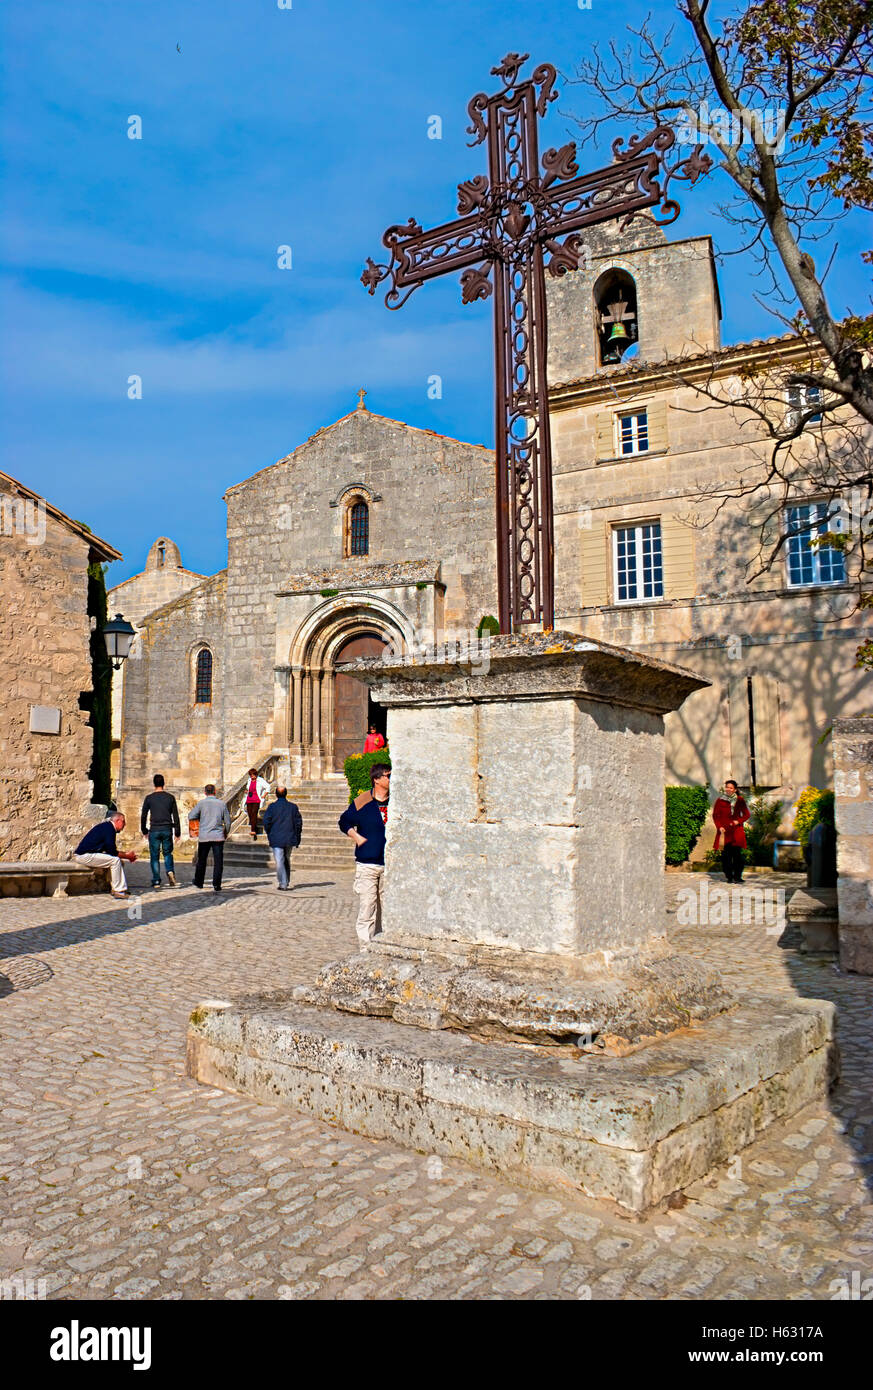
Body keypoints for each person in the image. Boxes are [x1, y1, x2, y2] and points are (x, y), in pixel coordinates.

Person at [338, 762, 390, 946]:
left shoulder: (397, 801)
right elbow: (344, 821)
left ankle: (382, 945)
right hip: (367, 864)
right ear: (377, 779)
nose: (391, 779)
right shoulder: (363, 801)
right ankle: (365, 949)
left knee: (388, 910)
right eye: (388, 776)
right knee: (368, 907)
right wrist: (356, 837)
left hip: (390, 865)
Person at [74, 812, 137, 898]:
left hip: (86, 855)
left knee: (116, 861)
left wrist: (126, 854)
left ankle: (115, 888)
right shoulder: (109, 829)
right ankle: (118, 891)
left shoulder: (107, 827)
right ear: (118, 820)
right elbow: (112, 851)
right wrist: (128, 856)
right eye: (123, 822)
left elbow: (110, 850)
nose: (124, 825)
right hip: (84, 856)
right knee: (115, 860)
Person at [140, 773, 181, 888]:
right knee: (167, 853)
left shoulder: (149, 798)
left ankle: (156, 880)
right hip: (167, 829)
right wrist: (177, 832)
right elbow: (176, 816)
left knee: (154, 856)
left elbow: (143, 815)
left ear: (154, 784)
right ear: (163, 783)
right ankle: (170, 870)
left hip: (154, 829)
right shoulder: (170, 798)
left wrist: (144, 830)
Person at [189, 784, 231, 892]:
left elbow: (191, 816)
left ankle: (199, 881)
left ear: (205, 792)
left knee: (202, 860)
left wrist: (201, 817)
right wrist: (226, 832)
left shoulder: (201, 803)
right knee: (218, 861)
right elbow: (227, 822)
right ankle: (217, 884)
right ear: (215, 791)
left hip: (204, 836)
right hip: (217, 836)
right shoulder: (221, 804)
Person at [261, 786, 303, 890]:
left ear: (276, 794)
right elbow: (298, 823)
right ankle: (285, 881)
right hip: (289, 837)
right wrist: (297, 836)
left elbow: (266, 822)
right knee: (286, 860)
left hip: (276, 838)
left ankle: (283, 883)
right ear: (286, 793)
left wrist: (269, 833)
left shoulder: (272, 807)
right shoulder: (293, 807)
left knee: (280, 861)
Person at [712, 780, 751, 884]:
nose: (728, 789)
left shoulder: (740, 800)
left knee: (738, 855)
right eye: (727, 787)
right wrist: (719, 827)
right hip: (724, 832)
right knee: (726, 856)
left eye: (731, 788)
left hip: (736, 831)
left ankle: (738, 877)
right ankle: (729, 876)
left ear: (735, 789)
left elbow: (747, 814)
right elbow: (715, 816)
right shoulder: (720, 801)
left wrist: (738, 821)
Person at [244, 767, 270, 839]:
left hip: (257, 799)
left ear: (256, 774)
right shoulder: (249, 780)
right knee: (249, 813)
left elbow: (268, 787)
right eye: (251, 775)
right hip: (249, 799)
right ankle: (255, 827)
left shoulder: (260, 780)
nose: (252, 776)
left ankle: (253, 830)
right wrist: (247, 791)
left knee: (254, 813)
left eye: (253, 775)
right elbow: (248, 788)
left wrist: (264, 795)